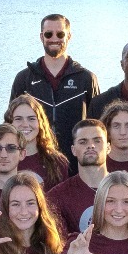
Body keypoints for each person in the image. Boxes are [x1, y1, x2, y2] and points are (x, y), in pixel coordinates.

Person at [10, 13, 98, 154]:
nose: (54, 39)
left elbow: (97, 124)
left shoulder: (86, 78)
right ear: (41, 37)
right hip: (36, 156)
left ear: (69, 36)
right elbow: (11, 123)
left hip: (76, 159)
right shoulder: (24, 79)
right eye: (49, 34)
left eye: (60, 34)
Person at [47, 120, 112, 235]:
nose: (91, 146)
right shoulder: (57, 197)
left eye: (97, 141)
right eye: (83, 142)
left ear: (108, 147)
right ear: (73, 150)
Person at [7, 94, 71, 185]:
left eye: (31, 119)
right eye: (18, 119)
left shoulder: (57, 162)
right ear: (9, 124)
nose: (25, 124)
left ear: (40, 123)